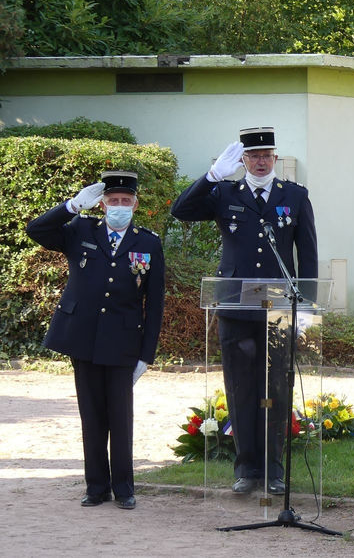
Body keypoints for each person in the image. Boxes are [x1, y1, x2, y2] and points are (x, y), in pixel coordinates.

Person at [171, 127, 318, 496]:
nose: (261, 161)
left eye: (267, 154)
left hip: (278, 310)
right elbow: (181, 210)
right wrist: (211, 177)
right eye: (253, 156)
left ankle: (273, 470)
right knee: (240, 389)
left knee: (276, 391)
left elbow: (308, 254)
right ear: (243, 161)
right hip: (235, 308)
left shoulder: (295, 196)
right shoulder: (224, 193)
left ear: (275, 156)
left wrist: (308, 308)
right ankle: (246, 469)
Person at [26, 170, 165, 510]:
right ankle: (96, 487)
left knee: (120, 417)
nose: (119, 206)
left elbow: (156, 301)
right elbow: (37, 230)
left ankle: (124, 487)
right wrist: (71, 206)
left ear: (135, 204)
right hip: (83, 337)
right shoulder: (80, 229)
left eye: (125, 201)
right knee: (91, 415)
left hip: (122, 341)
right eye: (113, 200)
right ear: (102, 203)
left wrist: (146, 355)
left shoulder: (148, 242)